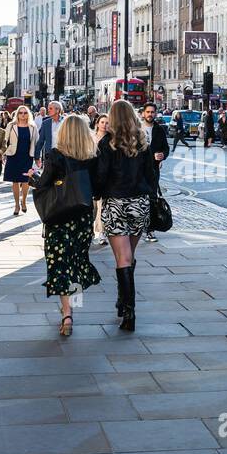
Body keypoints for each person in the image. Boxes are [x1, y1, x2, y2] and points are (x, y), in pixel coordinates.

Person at [28, 114, 101, 338]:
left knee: (59, 263)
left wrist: (33, 177)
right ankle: (74, 303)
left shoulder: (56, 155)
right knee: (77, 260)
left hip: (59, 217)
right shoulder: (93, 156)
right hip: (82, 216)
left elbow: (44, 184)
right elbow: (97, 188)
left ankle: (67, 313)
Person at [96, 100, 159, 332]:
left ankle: (128, 310)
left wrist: (96, 194)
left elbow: (100, 176)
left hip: (115, 203)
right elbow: (151, 175)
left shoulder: (107, 143)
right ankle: (124, 303)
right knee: (130, 256)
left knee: (122, 258)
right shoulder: (142, 141)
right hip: (139, 203)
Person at [2, 105, 38, 216]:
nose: (23, 115)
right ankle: (17, 204)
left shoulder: (32, 127)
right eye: (20, 113)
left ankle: (24, 201)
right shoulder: (11, 125)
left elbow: (36, 143)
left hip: (27, 156)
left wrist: (37, 158)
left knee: (26, 179)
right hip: (13, 155)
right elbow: (4, 140)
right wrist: (3, 153)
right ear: (17, 114)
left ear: (28, 114)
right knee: (15, 180)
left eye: (25, 113)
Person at [141, 103, 169, 243]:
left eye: (152, 112)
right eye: (148, 112)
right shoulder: (136, 129)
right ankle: (137, 228)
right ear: (143, 113)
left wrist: (163, 155)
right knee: (138, 199)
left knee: (152, 199)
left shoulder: (159, 130)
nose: (150, 114)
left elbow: (166, 148)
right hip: (137, 171)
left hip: (153, 171)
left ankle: (150, 231)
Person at [91, 116, 111, 246]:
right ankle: (91, 232)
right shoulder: (90, 137)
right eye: (102, 122)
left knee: (103, 206)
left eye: (107, 123)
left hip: (106, 176)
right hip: (92, 174)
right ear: (97, 124)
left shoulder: (111, 139)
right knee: (92, 206)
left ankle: (102, 233)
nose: (104, 125)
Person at [36, 100, 64, 166]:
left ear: (57, 110)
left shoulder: (66, 122)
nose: (48, 110)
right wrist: (37, 157)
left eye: (51, 108)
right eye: (48, 108)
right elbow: (40, 141)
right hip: (49, 157)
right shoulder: (45, 123)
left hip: (64, 157)